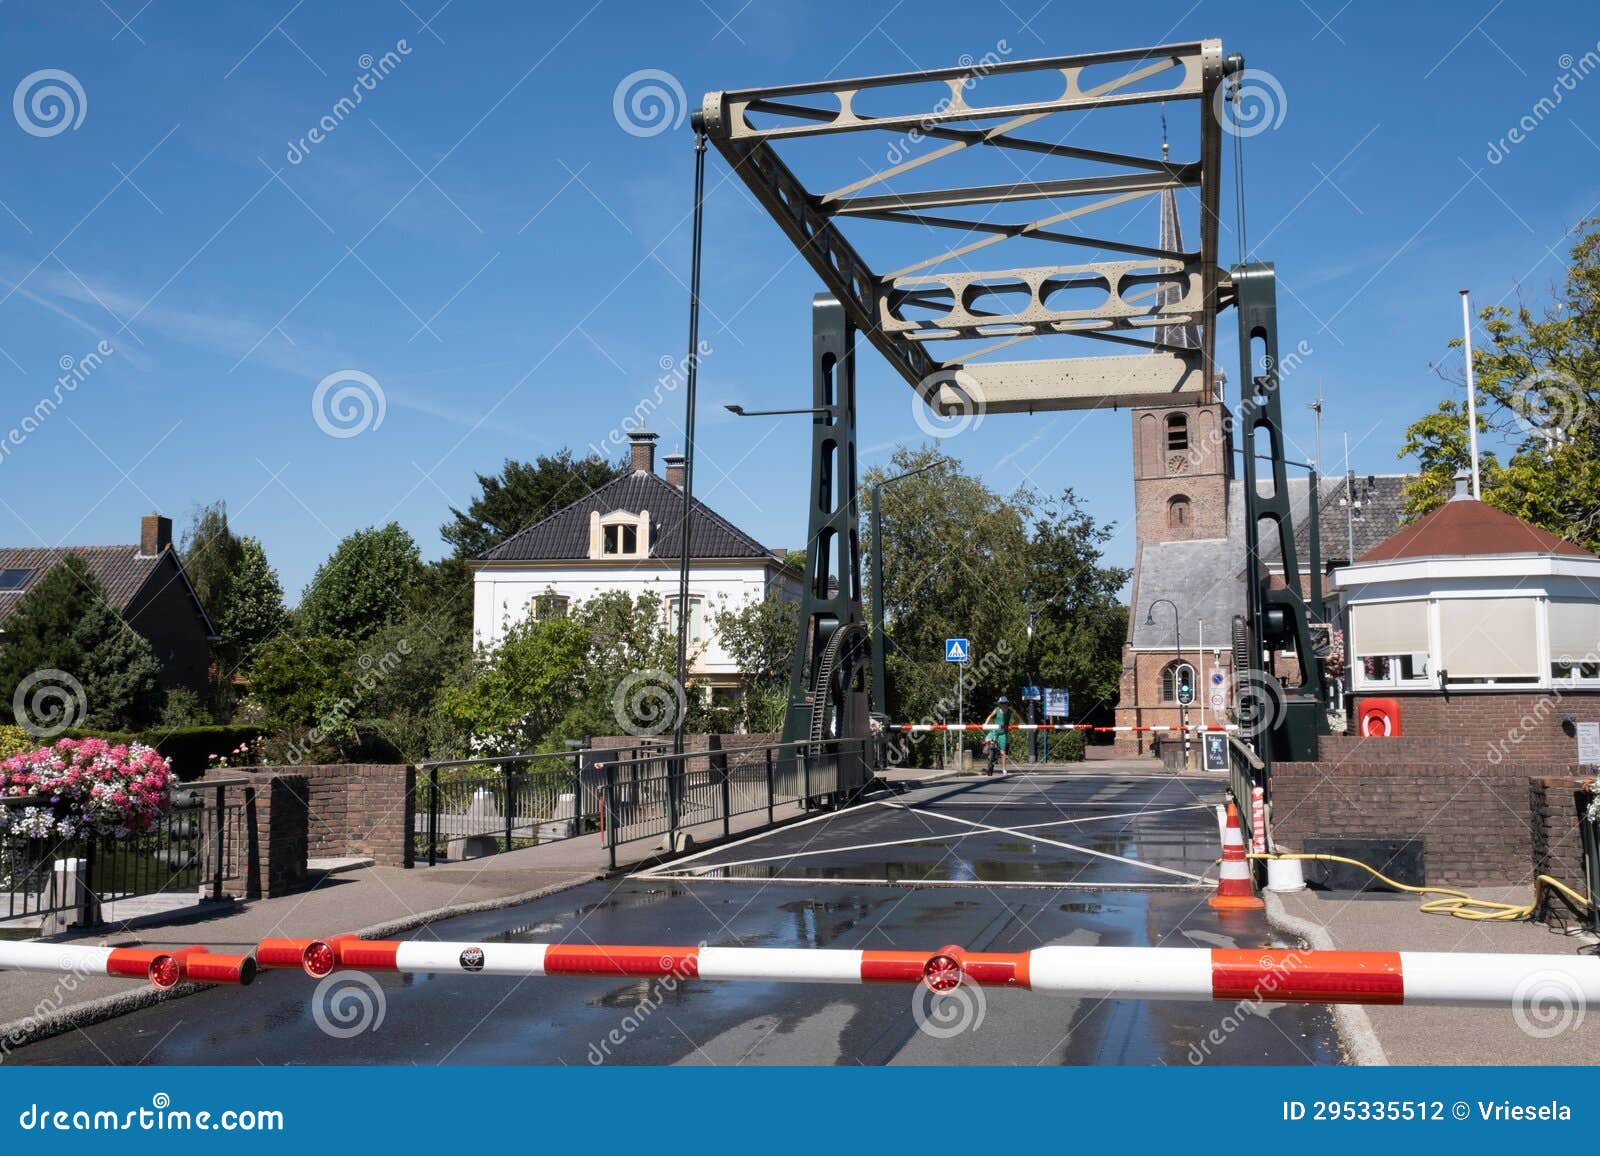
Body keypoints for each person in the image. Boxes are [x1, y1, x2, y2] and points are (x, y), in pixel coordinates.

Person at [982, 695, 1012, 775]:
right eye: (1002, 703)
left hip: (1003, 733)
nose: (1003, 704)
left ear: (1007, 703)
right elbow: (990, 716)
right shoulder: (997, 710)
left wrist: (1011, 726)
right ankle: (988, 748)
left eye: (1005, 703)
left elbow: (1015, 720)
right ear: (999, 704)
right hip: (995, 730)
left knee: (1003, 752)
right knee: (987, 739)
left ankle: (1004, 769)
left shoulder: (1009, 712)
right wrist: (986, 723)